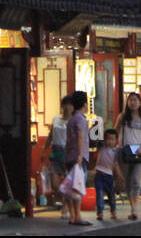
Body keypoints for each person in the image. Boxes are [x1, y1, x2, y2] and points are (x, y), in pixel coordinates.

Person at [115, 91, 141, 220]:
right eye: (130, 100)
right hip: (124, 151)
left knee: (136, 181)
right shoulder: (122, 117)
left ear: (139, 102)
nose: (133, 102)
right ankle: (132, 206)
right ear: (127, 102)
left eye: (135, 100)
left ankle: (134, 209)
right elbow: (115, 130)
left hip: (138, 152)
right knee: (127, 181)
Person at [62, 91, 91, 226]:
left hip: (69, 155)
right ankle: (78, 215)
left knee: (71, 186)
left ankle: (72, 215)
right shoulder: (81, 119)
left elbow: (68, 140)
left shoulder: (71, 120)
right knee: (78, 186)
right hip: (79, 156)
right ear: (85, 104)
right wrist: (80, 155)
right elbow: (81, 136)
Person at [45, 95, 74, 207]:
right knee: (55, 184)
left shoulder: (73, 121)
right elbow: (50, 135)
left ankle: (66, 205)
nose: (67, 107)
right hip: (56, 151)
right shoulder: (56, 119)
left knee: (68, 181)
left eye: (69, 105)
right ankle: (61, 200)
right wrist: (44, 151)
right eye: (65, 104)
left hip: (68, 151)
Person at [93, 130, 118, 221]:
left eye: (112, 139)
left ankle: (113, 210)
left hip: (109, 175)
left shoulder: (115, 152)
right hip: (99, 174)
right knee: (99, 194)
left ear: (116, 141)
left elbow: (115, 165)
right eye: (108, 139)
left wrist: (119, 175)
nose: (110, 141)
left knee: (111, 195)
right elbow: (97, 139)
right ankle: (100, 212)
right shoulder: (101, 147)